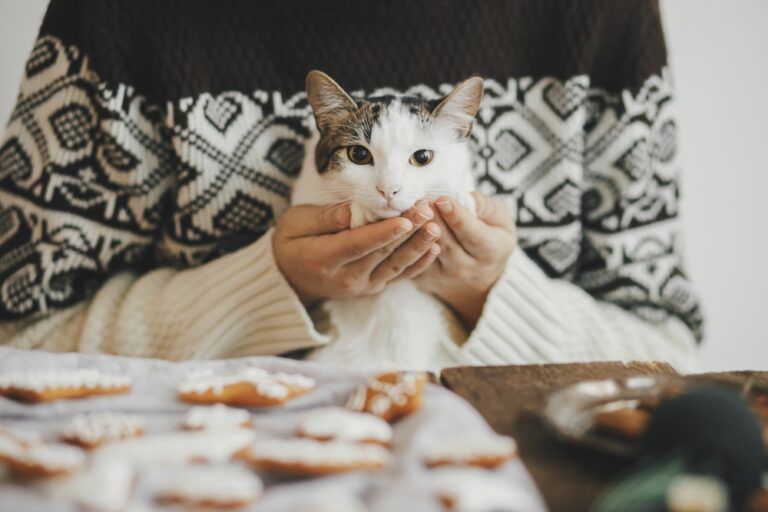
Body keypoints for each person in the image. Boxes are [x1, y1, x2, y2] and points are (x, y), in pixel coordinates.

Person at [0, 0, 702, 369]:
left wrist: (486, 292)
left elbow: (669, 359)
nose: (393, 186)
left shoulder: (603, 16)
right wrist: (270, 285)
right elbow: (19, 339)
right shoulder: (117, 15)